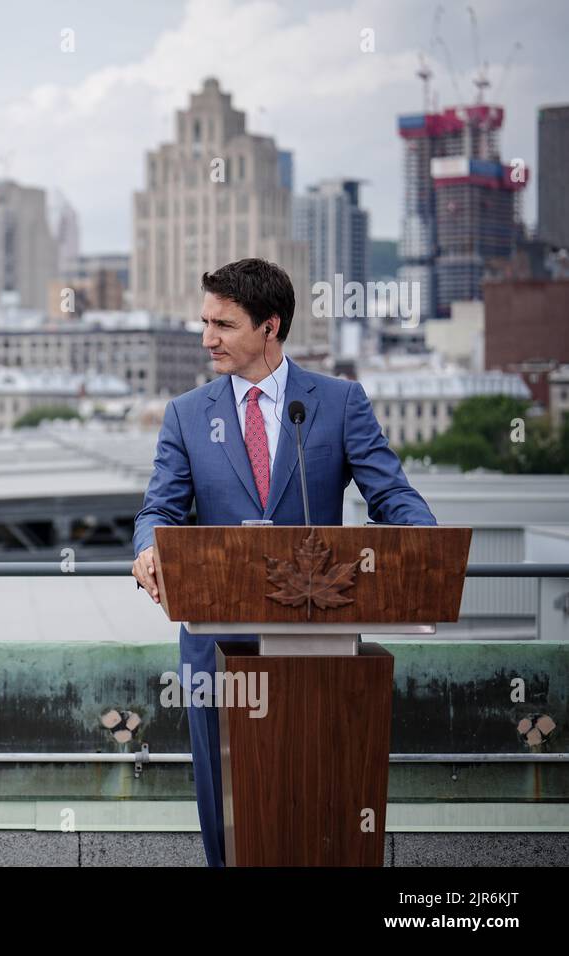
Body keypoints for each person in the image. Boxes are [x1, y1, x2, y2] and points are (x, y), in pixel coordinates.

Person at [131, 258, 436, 867]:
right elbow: (159, 506)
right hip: (217, 649)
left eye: (223, 324)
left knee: (319, 804)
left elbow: (394, 496)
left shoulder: (340, 402)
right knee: (226, 807)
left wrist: (423, 542)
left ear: (270, 328)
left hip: (318, 644)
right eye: (205, 321)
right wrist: (147, 548)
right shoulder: (187, 414)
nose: (207, 338)